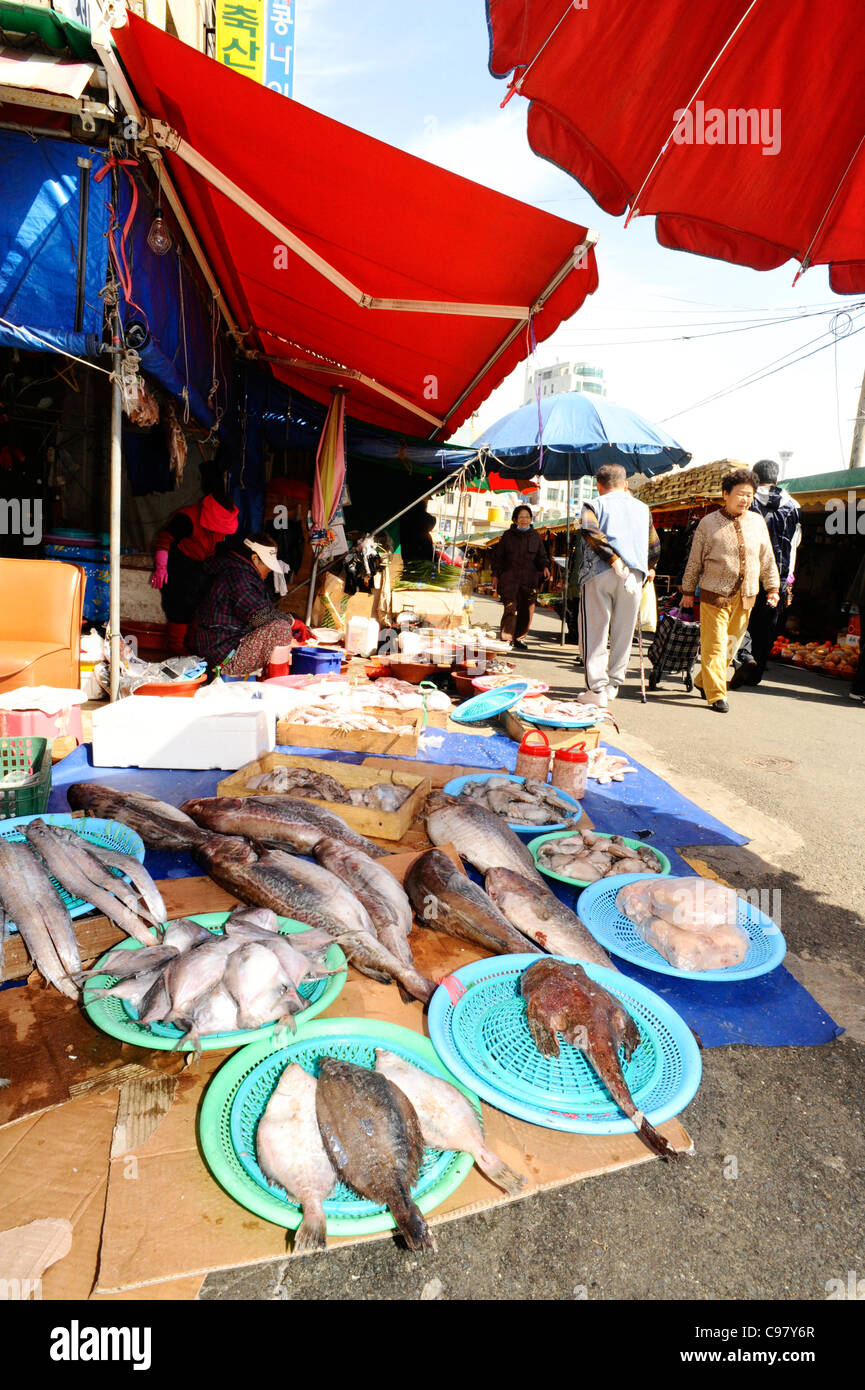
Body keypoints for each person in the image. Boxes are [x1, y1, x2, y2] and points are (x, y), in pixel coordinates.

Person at [680, 467, 780, 713]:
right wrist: (687, 590)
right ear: (725, 494)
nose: (745, 499)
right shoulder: (708, 523)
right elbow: (694, 561)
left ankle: (703, 680)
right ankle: (716, 694)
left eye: (749, 495)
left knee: (731, 644)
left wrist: (773, 588)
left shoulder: (757, 522)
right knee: (714, 645)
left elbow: (767, 558)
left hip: (746, 596)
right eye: (740, 494)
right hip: (715, 594)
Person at [577, 464, 660, 705]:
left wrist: (613, 559)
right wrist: (649, 567)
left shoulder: (594, 504)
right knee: (624, 632)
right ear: (625, 484)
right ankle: (614, 683)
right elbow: (654, 544)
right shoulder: (643, 509)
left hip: (600, 571)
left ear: (598, 485)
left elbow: (590, 531)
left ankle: (597, 689)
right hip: (634, 575)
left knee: (595, 631)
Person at [150, 463, 240, 653]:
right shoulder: (188, 517)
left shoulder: (219, 526)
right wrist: (161, 566)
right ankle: (175, 646)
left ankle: (192, 645)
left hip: (202, 565)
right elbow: (165, 538)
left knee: (201, 603)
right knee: (179, 603)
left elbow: (221, 548)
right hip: (179, 562)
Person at [187, 532, 302, 675]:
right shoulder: (239, 576)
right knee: (280, 629)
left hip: (226, 644)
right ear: (255, 559)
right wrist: (291, 622)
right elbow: (259, 617)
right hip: (224, 655)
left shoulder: (241, 572)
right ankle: (276, 685)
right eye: (268, 564)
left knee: (281, 629)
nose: (271, 569)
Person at [731, 459, 802, 687]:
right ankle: (756, 673)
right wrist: (788, 579)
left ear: (754, 477)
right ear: (777, 480)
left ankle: (742, 659)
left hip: (748, 573)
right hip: (778, 577)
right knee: (767, 625)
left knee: (741, 619)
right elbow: (793, 545)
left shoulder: (747, 501)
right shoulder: (794, 506)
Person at [490, 504, 550, 650]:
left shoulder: (535, 536)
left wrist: (545, 566)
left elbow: (541, 556)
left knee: (526, 611)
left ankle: (519, 638)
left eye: (527, 517)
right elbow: (499, 558)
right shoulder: (507, 536)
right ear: (515, 519)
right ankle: (506, 638)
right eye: (521, 517)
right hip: (509, 579)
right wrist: (495, 575)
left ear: (531, 519)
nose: (524, 520)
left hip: (529, 579)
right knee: (510, 608)